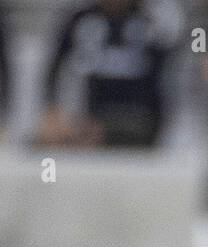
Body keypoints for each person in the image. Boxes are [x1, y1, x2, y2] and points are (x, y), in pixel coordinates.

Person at [40, 0, 183, 148]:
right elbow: (55, 66)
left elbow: (165, 78)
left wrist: (157, 126)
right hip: (93, 117)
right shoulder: (83, 18)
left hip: (139, 121)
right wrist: (53, 111)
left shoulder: (152, 21)